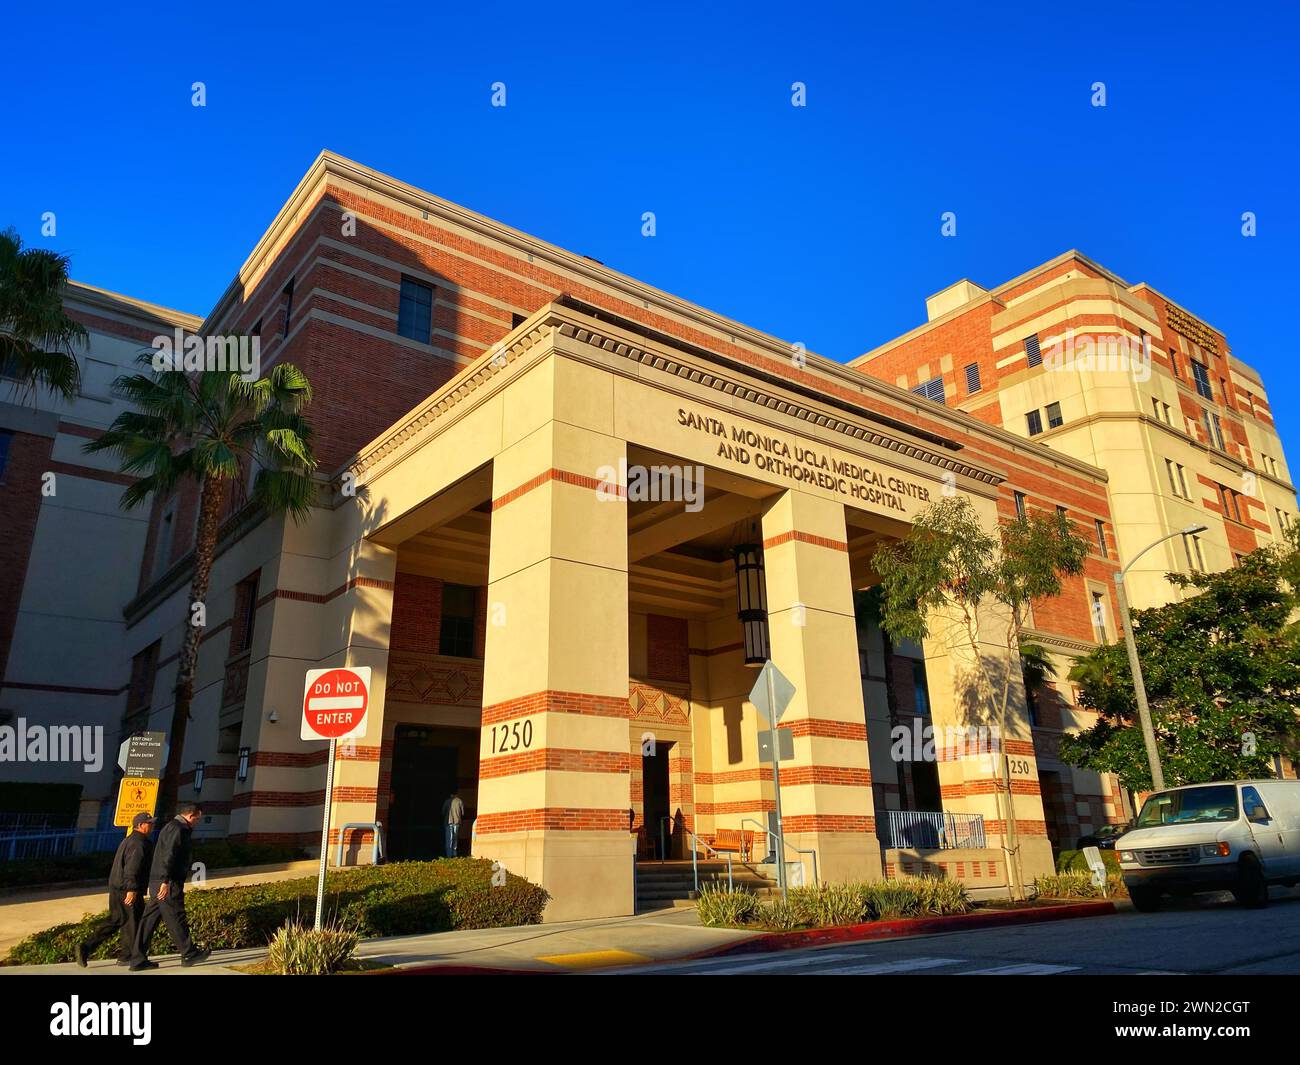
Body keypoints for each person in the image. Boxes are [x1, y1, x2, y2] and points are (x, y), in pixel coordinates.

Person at [130, 802, 210, 970]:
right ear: (190, 816)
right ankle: (189, 953)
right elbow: (169, 854)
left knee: (149, 920)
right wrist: (165, 881)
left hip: (158, 880)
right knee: (175, 916)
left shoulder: (171, 827)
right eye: (197, 818)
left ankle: (137, 958)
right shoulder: (178, 829)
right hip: (167, 882)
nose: (197, 822)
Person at [76, 812, 155, 967]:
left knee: (118, 920)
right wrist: (132, 889)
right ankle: (134, 958)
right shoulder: (139, 843)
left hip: (117, 887)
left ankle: (92, 948)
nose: (151, 826)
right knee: (133, 923)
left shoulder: (129, 840)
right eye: (149, 823)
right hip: (127, 889)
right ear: (140, 825)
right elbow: (133, 867)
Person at [440, 791, 464, 858]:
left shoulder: (447, 801)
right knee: (455, 838)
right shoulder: (460, 801)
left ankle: (449, 855)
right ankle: (454, 853)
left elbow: (443, 812)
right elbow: (462, 813)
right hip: (457, 822)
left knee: (449, 839)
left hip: (448, 822)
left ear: (450, 795)